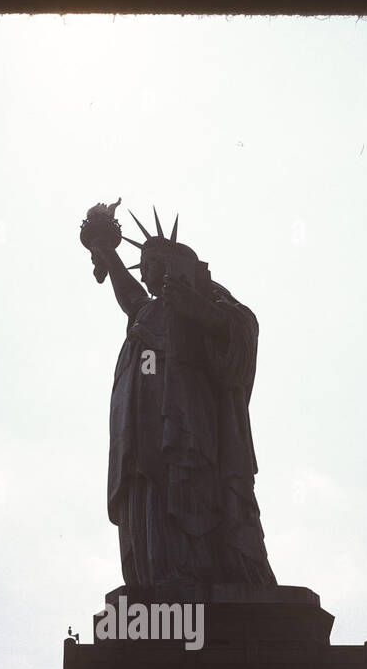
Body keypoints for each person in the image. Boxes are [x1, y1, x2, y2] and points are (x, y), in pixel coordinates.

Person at [84, 209, 277, 590]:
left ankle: (194, 569)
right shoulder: (149, 309)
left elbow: (242, 326)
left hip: (187, 422)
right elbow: (129, 294)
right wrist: (106, 251)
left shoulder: (202, 295)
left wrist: (199, 309)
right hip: (141, 428)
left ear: (173, 262)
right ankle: (160, 572)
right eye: (144, 266)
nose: (145, 272)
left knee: (185, 484)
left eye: (152, 264)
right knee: (150, 492)